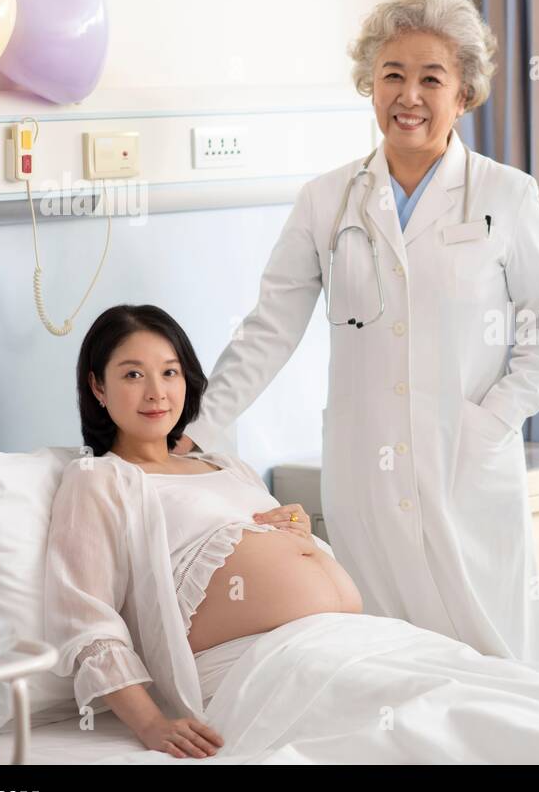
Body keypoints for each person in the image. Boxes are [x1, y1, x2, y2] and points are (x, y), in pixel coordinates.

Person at [176, 0, 539, 661]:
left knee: (495, 656)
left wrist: (490, 422)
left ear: (465, 93)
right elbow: (270, 326)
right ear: (369, 84)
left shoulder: (506, 196)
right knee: (388, 661)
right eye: (392, 74)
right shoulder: (327, 201)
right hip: (367, 469)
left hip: (466, 466)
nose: (408, 96)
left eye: (431, 78)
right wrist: (200, 429)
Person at [45, 304, 362, 758]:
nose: (156, 392)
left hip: (349, 638)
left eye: (169, 373)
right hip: (258, 666)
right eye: (133, 375)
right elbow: (86, 622)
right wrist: (151, 722)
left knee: (448, 692)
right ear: (98, 385)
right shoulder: (99, 479)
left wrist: (297, 533)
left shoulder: (228, 464)